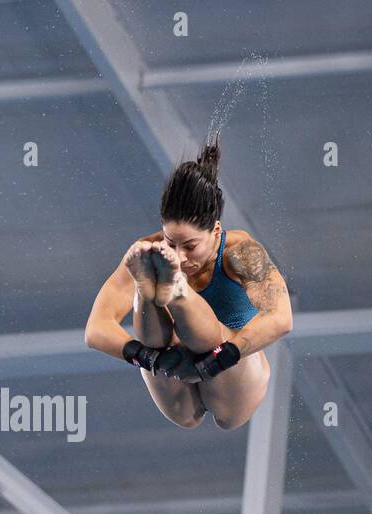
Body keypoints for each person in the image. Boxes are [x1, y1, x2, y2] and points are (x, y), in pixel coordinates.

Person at [84, 134, 292, 430]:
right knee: (184, 408)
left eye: (190, 246)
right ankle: (151, 294)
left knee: (216, 365)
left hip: (232, 370)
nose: (179, 258)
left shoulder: (241, 252)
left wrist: (224, 356)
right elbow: (95, 330)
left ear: (216, 231)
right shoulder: (148, 250)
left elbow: (281, 318)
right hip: (176, 377)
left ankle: (172, 292)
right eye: (171, 242)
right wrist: (147, 358)